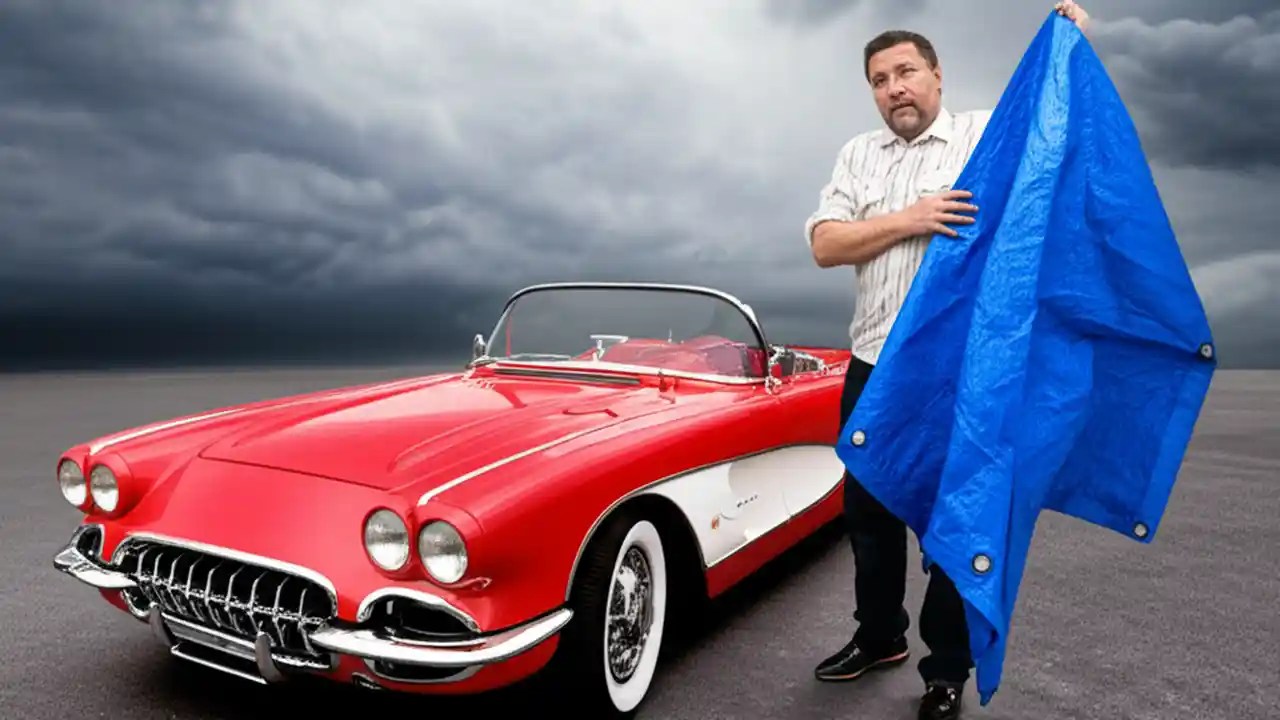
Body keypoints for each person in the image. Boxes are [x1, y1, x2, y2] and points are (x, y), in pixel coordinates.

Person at [803, 3, 1091, 719]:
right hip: (873, 363)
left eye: (905, 72)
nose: (894, 88)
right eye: (879, 80)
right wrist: (914, 217)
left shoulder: (980, 134)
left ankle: (946, 668)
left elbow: (1051, 124)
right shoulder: (858, 155)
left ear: (937, 75)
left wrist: (1067, 42)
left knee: (956, 515)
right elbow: (825, 244)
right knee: (867, 513)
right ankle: (879, 636)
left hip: (958, 373)